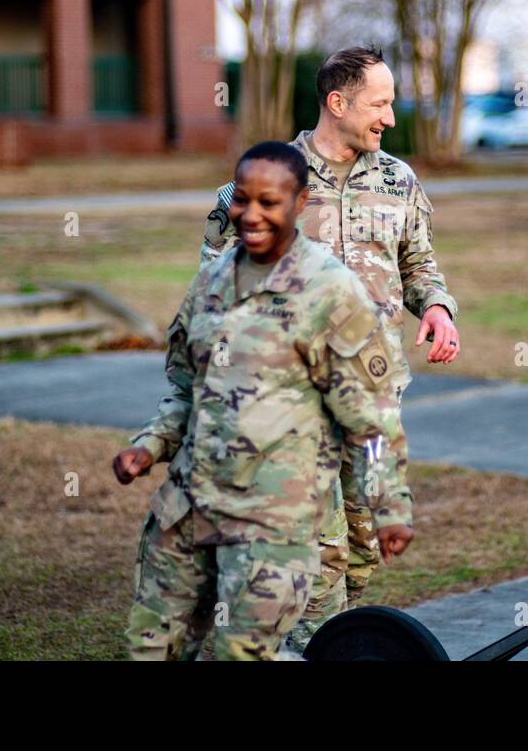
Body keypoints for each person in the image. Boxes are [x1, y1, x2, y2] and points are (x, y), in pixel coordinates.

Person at [200, 46, 458, 651]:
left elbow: (418, 263)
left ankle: (319, 633)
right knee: (323, 550)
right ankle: (311, 645)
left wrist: (439, 309)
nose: (390, 118)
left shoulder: (399, 180)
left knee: (367, 540)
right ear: (337, 104)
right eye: (380, 104)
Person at [114, 141, 414, 661]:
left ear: (299, 205)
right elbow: (188, 391)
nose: (251, 214)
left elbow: (370, 420)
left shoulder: (332, 294)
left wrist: (389, 508)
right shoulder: (209, 282)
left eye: (269, 202)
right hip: (187, 513)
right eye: (242, 200)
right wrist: (149, 446)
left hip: (273, 526)